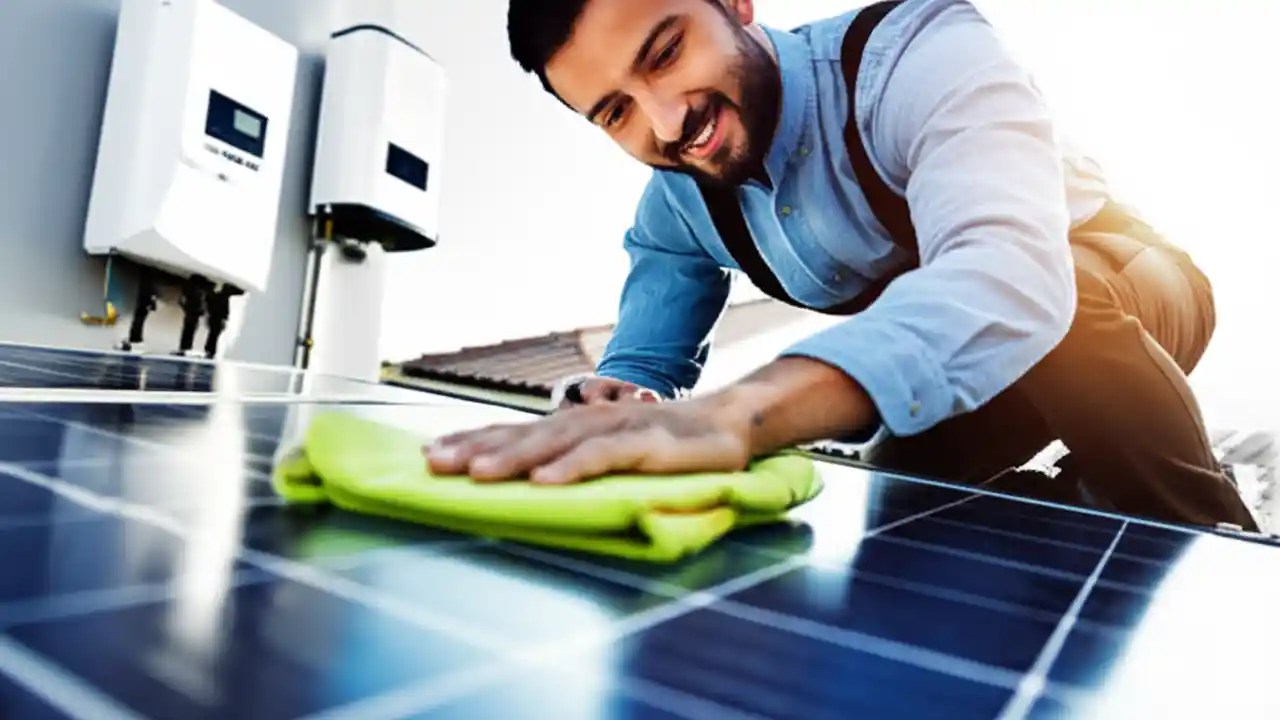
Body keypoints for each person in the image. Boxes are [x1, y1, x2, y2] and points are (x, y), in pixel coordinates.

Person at [425, 0, 1257, 530]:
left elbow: (1006, 274)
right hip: (989, 370)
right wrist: (604, 401)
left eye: (666, 53)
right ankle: (1080, 504)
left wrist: (739, 415)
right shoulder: (674, 211)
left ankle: (1219, 530)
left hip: (1132, 288)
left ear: (735, 4)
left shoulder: (921, 53)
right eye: (616, 111)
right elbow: (642, 366)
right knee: (904, 488)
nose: (668, 123)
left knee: (1065, 308)